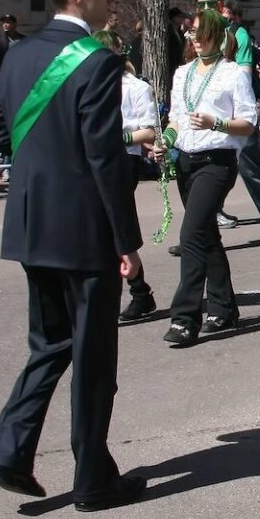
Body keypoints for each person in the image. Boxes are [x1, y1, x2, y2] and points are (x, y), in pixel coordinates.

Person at [0, 0, 146, 511]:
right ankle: (92, 480)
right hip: (84, 233)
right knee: (93, 359)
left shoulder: (18, 54)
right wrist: (128, 241)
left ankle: (11, 452)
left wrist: (42, 170)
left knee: (49, 345)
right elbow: (104, 159)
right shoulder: (97, 62)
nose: (110, 1)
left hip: (32, 224)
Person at [157, 8, 258, 347]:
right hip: (186, 160)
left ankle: (185, 318)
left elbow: (248, 122)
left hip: (218, 161)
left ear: (217, 33)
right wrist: (164, 144)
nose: (196, 38)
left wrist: (216, 123)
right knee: (205, 233)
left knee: (191, 234)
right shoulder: (183, 73)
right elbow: (175, 120)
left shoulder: (233, 73)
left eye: (202, 32)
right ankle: (224, 306)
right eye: (192, 33)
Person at [199, 0, 260, 247]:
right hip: (213, 112)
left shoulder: (236, 34)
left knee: (250, 169)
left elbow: (242, 73)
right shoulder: (204, 35)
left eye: (211, 5)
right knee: (209, 170)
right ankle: (198, 231)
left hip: (238, 111)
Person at [90, 31, 161, 323]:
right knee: (100, 227)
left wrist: (116, 136)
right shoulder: (92, 86)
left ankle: (138, 292)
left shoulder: (135, 87)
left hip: (122, 160)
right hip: (94, 161)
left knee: (114, 223)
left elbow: (149, 130)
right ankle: (137, 291)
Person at [0, 14, 25, 79]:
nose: (5, 25)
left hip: (19, 74)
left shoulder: (23, 39)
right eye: (3, 23)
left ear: (14, 24)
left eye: (8, 22)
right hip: (2, 75)